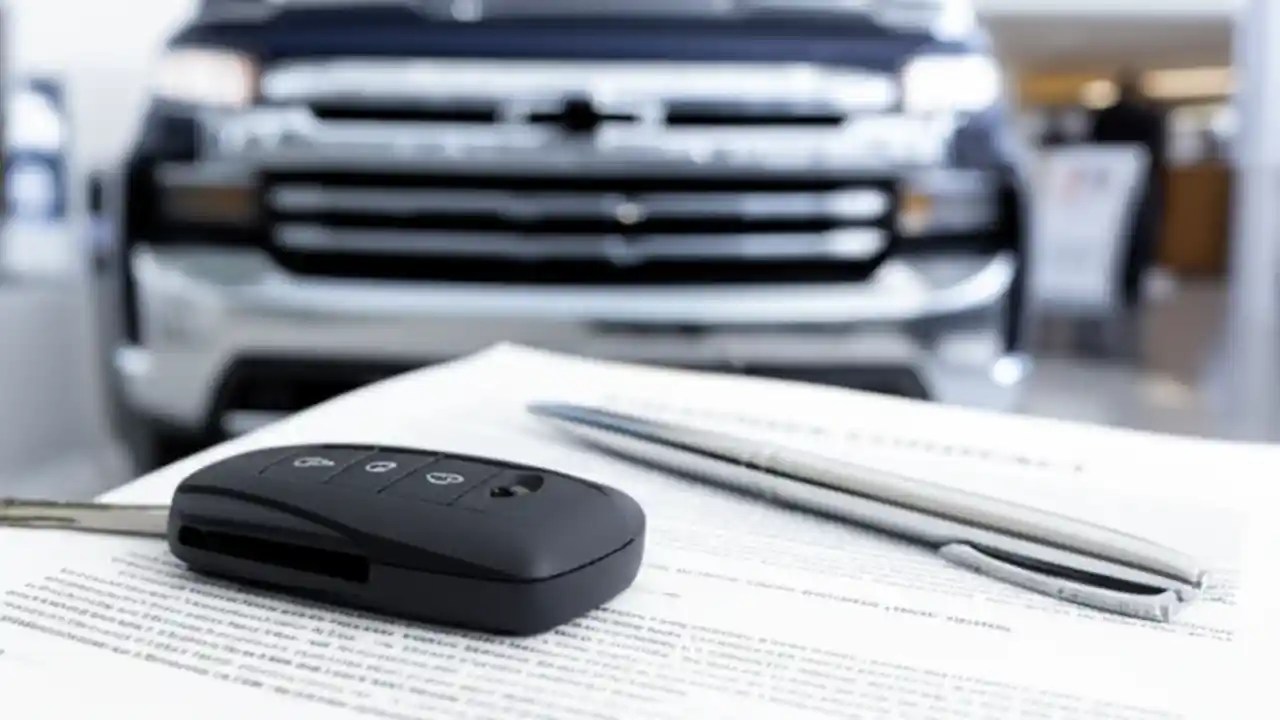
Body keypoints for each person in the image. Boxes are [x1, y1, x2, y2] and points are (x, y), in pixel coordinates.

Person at [1090, 72, 1168, 307]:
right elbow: (1158, 153)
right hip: (1142, 186)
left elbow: (1096, 149)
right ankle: (1131, 287)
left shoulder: (1105, 117)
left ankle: (1114, 284)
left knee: (1115, 236)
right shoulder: (1149, 117)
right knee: (1139, 237)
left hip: (1110, 187)